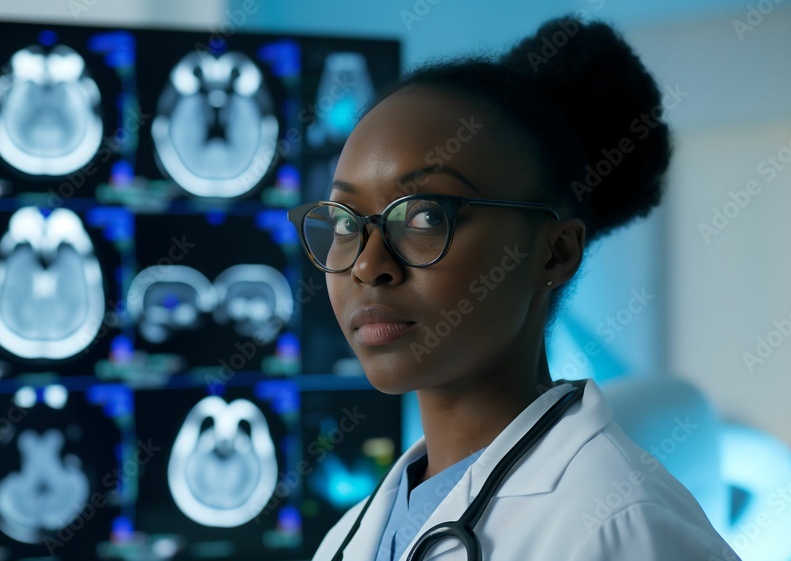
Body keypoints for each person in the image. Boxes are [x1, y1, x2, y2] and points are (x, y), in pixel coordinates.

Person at [288, 14, 740, 561]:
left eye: (427, 216)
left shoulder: (623, 528)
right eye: (346, 223)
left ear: (555, 253)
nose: (368, 265)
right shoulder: (351, 538)